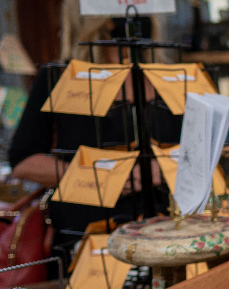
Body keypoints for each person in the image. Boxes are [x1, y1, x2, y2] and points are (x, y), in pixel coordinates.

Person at [8, 20, 181, 267]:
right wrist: (101, 178)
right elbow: (23, 161)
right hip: (90, 237)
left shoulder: (168, 76)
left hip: (169, 228)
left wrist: (165, 166)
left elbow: (195, 147)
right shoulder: (60, 77)